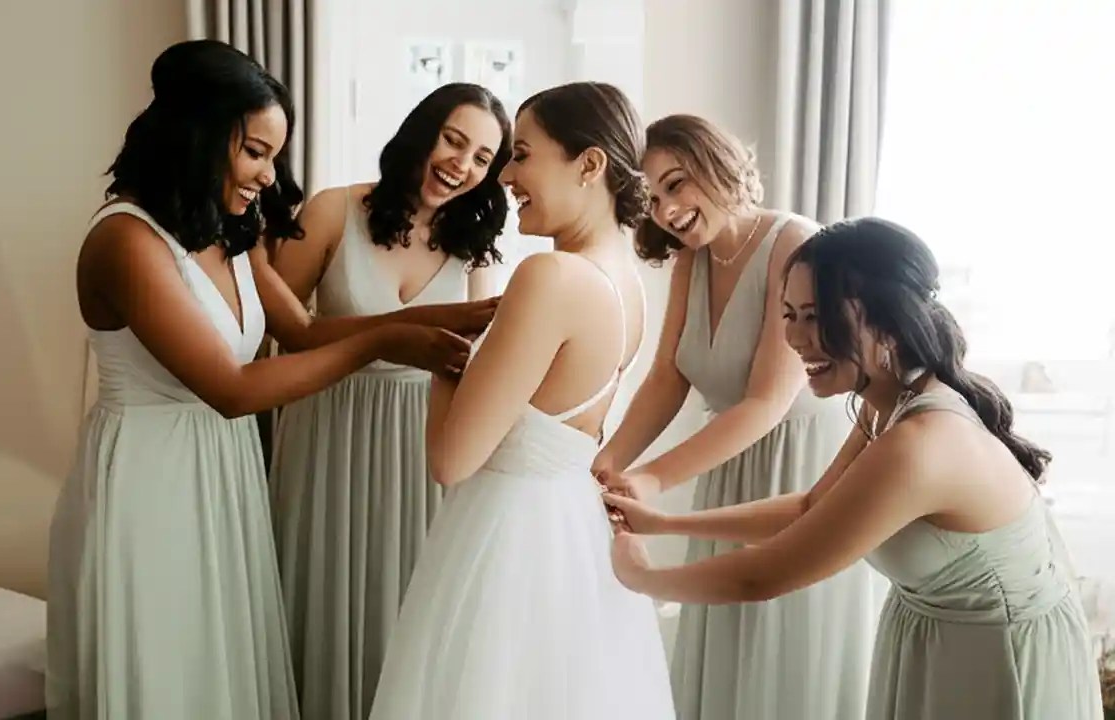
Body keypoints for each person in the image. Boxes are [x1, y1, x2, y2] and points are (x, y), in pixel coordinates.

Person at [46, 39, 472, 719]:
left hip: (223, 468)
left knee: (221, 666)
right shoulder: (126, 241)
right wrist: (387, 343)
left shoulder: (223, 229)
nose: (269, 178)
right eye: (256, 152)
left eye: (274, 157)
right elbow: (233, 388)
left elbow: (301, 331)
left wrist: (475, 311)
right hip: (150, 479)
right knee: (168, 666)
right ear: (199, 136)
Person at [606, 217, 1103, 720]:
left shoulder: (920, 442)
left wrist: (642, 576)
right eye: (788, 314)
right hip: (939, 642)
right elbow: (811, 507)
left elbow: (764, 576)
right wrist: (665, 523)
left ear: (886, 319)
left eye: (816, 316)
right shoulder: (886, 401)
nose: (795, 338)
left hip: (999, 660)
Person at [368, 82, 675, 720]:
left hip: (504, 542)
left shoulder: (551, 276)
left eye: (523, 155)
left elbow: (451, 460)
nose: (506, 176)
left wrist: (443, 357)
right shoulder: (628, 283)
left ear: (589, 165)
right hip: (571, 534)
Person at [594, 114, 878, 719]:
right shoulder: (691, 263)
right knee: (727, 651)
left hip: (800, 469)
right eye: (653, 198)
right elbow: (667, 377)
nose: (667, 210)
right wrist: (609, 461)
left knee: (784, 656)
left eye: (677, 184)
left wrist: (652, 479)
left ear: (716, 165)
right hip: (729, 470)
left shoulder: (794, 244)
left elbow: (766, 402)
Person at [267, 82, 511, 720]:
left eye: (483, 158)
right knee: (323, 594)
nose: (462, 163)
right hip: (328, 432)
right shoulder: (332, 211)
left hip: (419, 443)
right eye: (453, 140)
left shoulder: (472, 248)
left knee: (405, 599)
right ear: (420, 132)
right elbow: (277, 332)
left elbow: (474, 363)